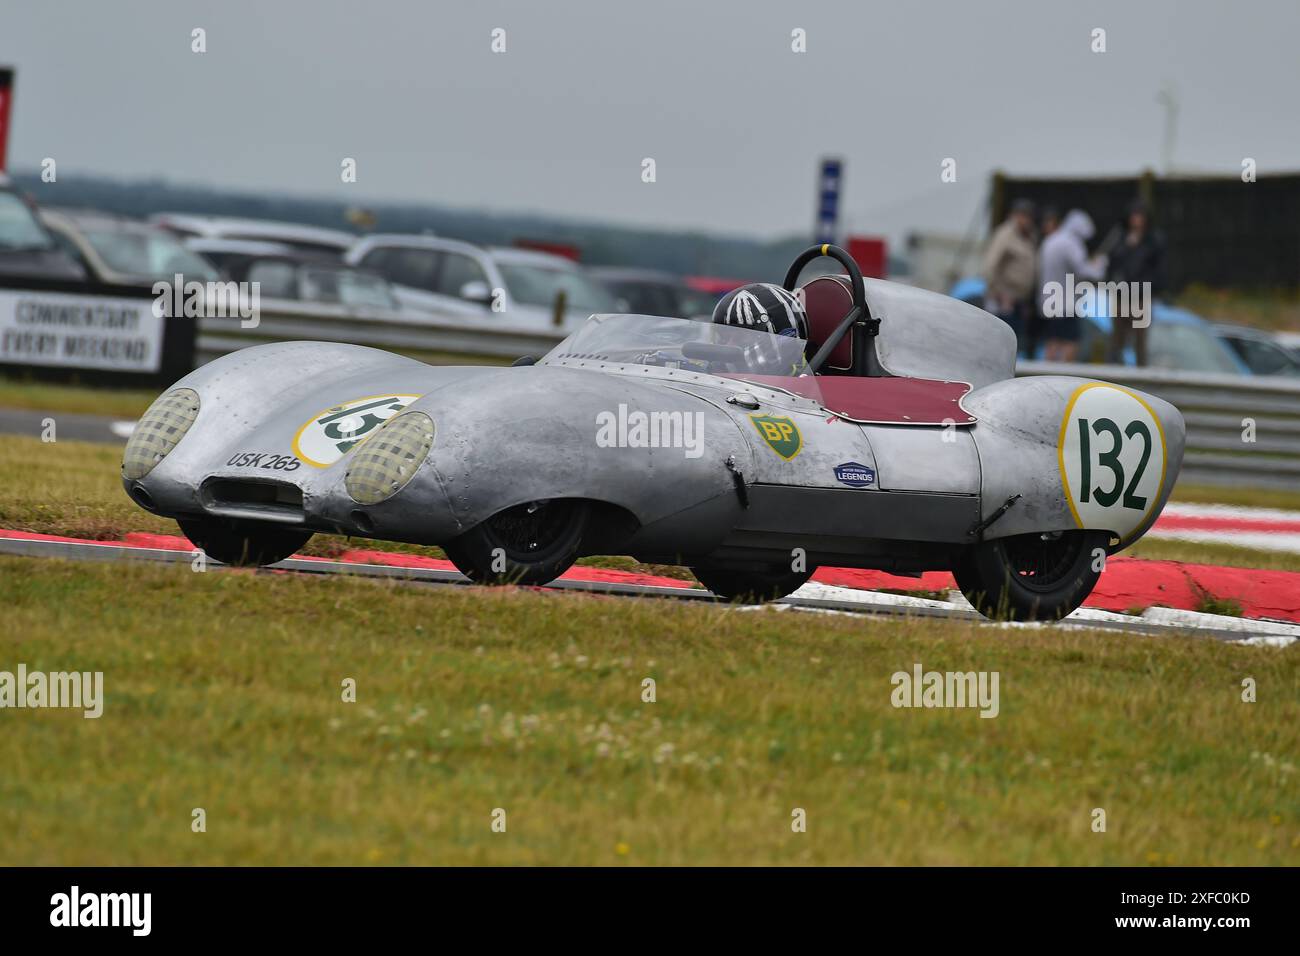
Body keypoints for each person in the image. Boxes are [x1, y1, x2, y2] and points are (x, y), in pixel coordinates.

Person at [1037, 210, 1107, 363]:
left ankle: (1047, 374)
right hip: (1064, 304)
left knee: (1053, 340)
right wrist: (1100, 264)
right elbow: (1085, 272)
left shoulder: (1051, 240)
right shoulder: (1071, 243)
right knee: (1071, 341)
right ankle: (1062, 375)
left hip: (1047, 301)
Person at [1104, 198, 1166, 367]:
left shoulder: (1153, 241)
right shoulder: (1121, 238)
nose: (1136, 219)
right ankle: (1114, 370)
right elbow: (1112, 264)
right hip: (1122, 294)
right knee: (1117, 339)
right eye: (1134, 215)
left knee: (1140, 340)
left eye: (1140, 215)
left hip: (1141, 296)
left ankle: (1140, 372)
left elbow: (1158, 269)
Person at [980, 198, 1037, 356]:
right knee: (1000, 346)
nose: (1028, 220)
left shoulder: (1028, 237)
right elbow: (989, 267)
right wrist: (998, 294)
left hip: (1018, 301)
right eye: (1024, 216)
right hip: (1004, 302)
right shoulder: (1005, 234)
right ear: (1015, 216)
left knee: (1014, 347)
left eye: (1029, 216)